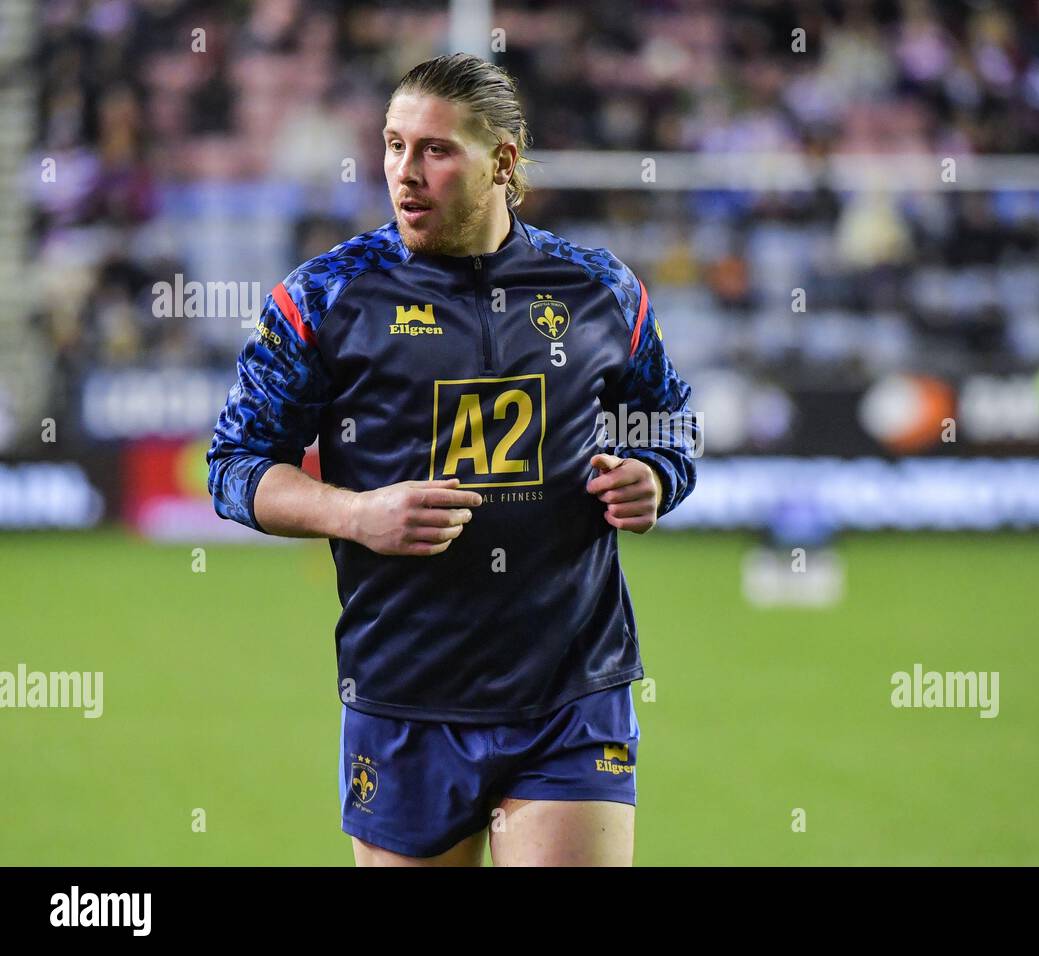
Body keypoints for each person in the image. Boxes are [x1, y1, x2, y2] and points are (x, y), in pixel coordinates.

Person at [206, 53, 699, 866]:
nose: (405, 172)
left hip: (572, 689)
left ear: (503, 161)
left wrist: (658, 476)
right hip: (405, 697)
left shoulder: (597, 289)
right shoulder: (328, 297)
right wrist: (356, 514)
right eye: (395, 146)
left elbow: (672, 419)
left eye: (436, 150)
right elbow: (233, 466)